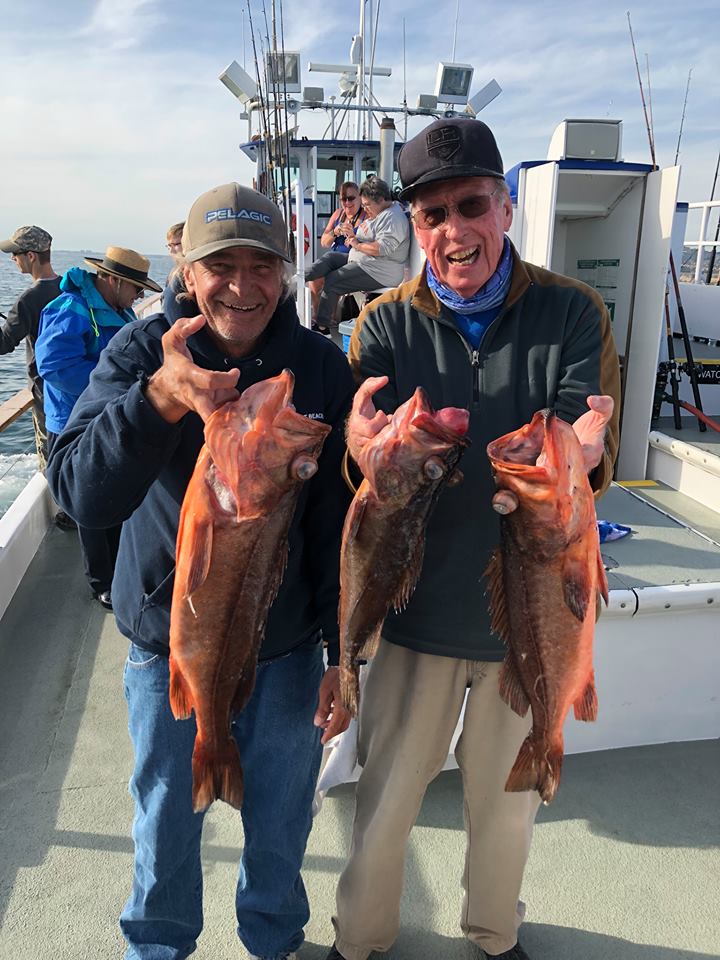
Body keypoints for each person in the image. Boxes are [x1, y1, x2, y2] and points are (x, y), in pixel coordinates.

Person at [325, 117, 621, 960]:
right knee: (384, 802)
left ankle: (495, 937)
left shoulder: (572, 312)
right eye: (432, 215)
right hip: (414, 621)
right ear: (414, 227)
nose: (455, 231)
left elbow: (582, 447)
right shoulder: (381, 325)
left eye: (471, 205)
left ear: (507, 207)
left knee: (507, 808)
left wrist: (589, 457)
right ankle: (360, 941)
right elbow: (367, 499)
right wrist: (361, 457)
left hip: (523, 626)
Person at [45, 182, 354, 960]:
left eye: (263, 265)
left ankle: (274, 941)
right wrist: (157, 400)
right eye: (223, 265)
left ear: (286, 273)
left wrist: (342, 654)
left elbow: (332, 529)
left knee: (283, 818)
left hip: (284, 651)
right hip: (166, 647)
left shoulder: (320, 366)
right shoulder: (143, 350)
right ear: (187, 269)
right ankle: (157, 947)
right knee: (164, 815)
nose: (243, 286)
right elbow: (79, 490)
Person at [36, 247, 162, 609]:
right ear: (113, 280)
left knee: (118, 495)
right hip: (76, 423)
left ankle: (119, 570)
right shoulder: (69, 309)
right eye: (136, 288)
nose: (140, 296)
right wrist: (109, 393)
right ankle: (101, 581)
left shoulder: (118, 311)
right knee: (90, 506)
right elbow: (55, 365)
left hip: (115, 419)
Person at [305, 177, 409, 337]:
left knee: (333, 280)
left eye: (367, 205)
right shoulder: (380, 212)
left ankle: (322, 328)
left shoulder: (393, 218)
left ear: (381, 199)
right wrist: (353, 237)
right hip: (363, 261)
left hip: (379, 271)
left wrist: (356, 244)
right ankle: (297, 279)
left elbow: (381, 248)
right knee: (330, 258)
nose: (365, 208)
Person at [0, 225, 61, 472]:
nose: (13, 258)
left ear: (31, 256)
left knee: (50, 454)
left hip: (44, 390)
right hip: (69, 388)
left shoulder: (28, 299)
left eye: (16, 253)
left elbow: (3, 344)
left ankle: (63, 509)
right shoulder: (67, 287)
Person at [307, 183, 367, 333]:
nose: (347, 203)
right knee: (314, 281)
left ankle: (327, 320)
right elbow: (324, 242)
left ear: (360, 197)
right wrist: (335, 231)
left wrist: (354, 237)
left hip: (353, 259)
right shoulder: (338, 214)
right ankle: (319, 316)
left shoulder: (367, 216)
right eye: (343, 199)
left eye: (351, 198)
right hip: (333, 259)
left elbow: (372, 243)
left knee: (333, 277)